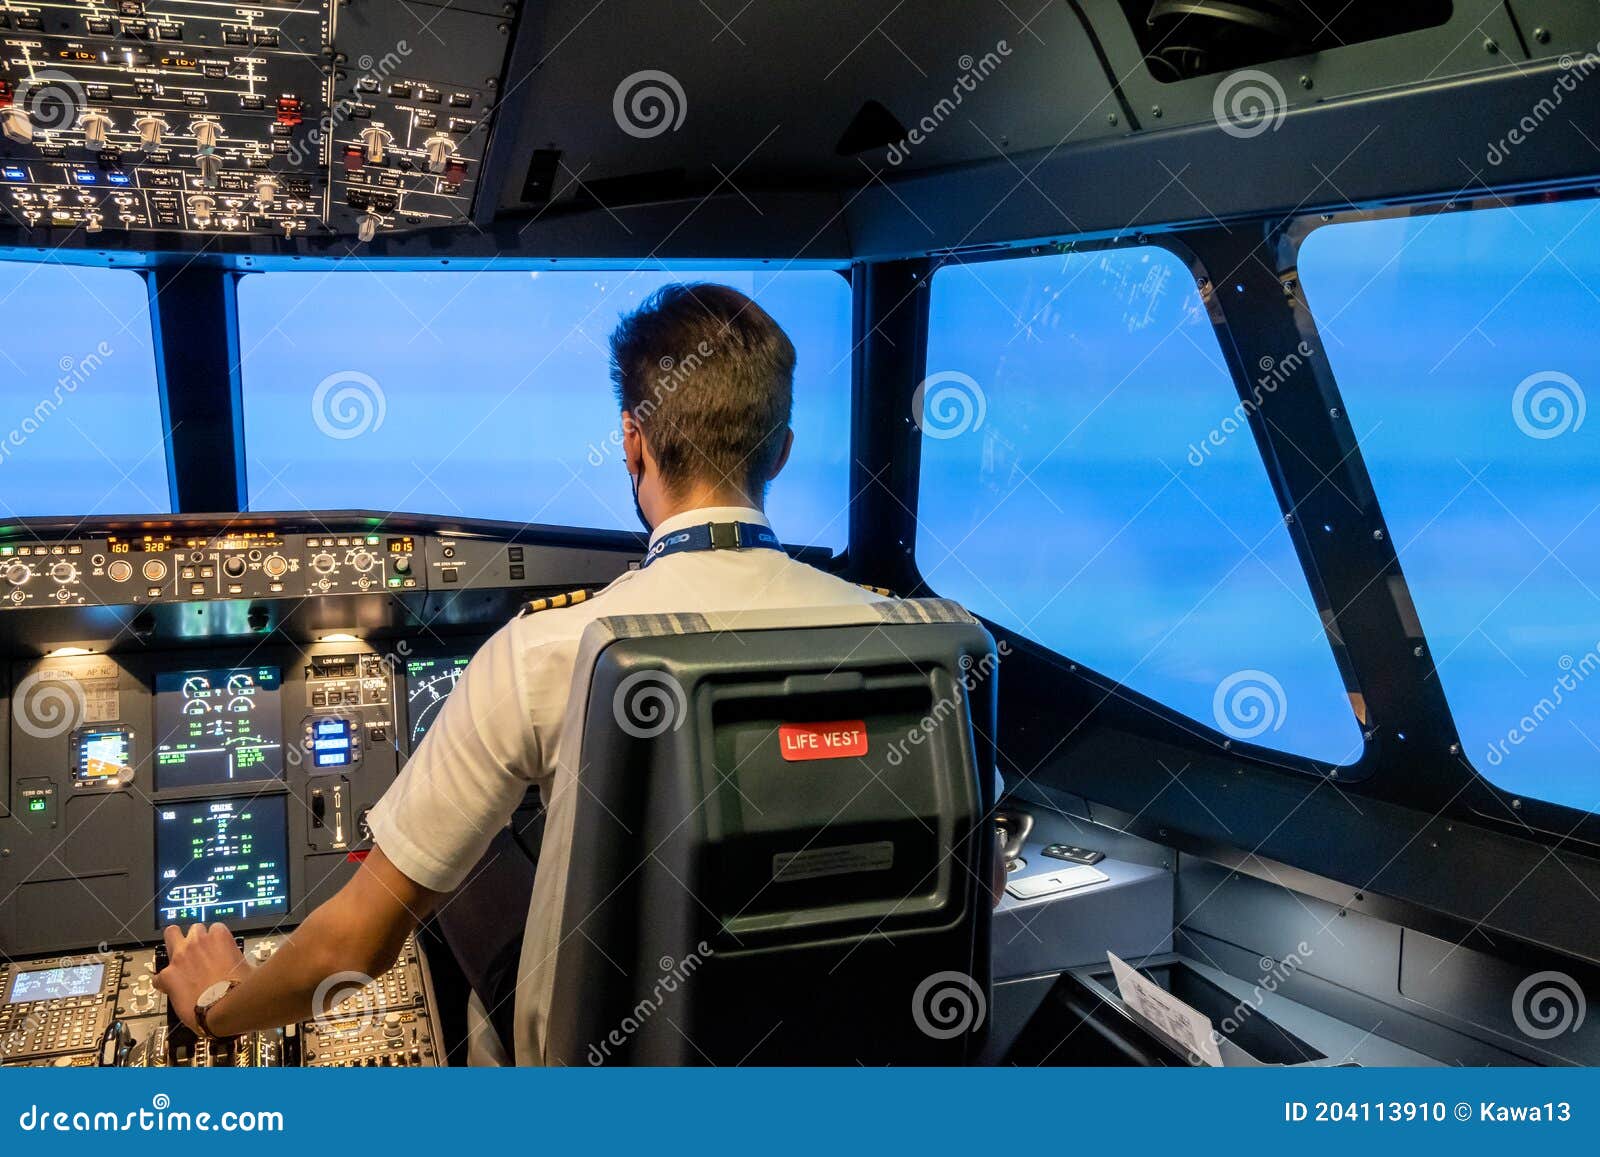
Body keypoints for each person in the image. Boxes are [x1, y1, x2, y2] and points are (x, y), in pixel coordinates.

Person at [154, 283, 934, 1064]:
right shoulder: (919, 640)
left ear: (632, 441)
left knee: (465, 860)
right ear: (783, 449)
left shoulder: (548, 649)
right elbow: (977, 886)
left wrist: (217, 1003)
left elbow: (354, 945)